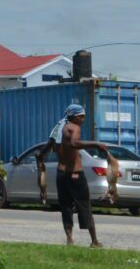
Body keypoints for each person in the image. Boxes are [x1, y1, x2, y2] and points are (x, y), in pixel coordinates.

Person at [38, 103, 110, 247]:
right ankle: (94, 241)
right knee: (85, 206)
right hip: (75, 174)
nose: (83, 119)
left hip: (61, 175)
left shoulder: (58, 129)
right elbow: (75, 143)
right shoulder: (74, 127)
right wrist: (96, 144)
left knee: (66, 207)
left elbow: (45, 149)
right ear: (74, 117)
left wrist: (39, 158)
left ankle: (69, 239)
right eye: (81, 116)